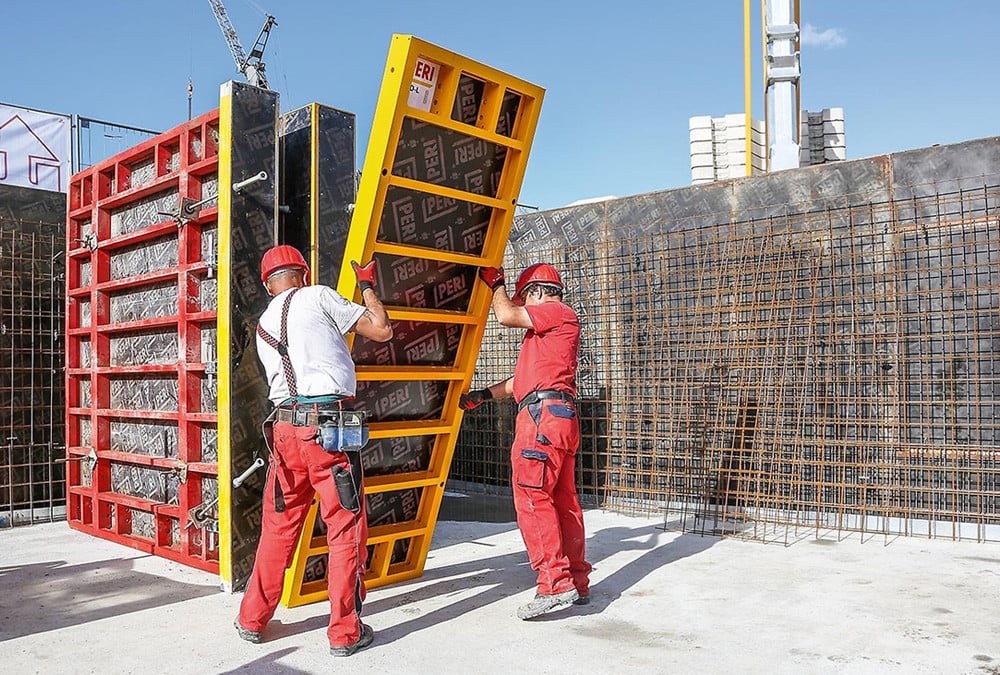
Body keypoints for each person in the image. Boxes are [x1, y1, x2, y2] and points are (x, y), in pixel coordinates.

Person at [235, 244, 392, 656]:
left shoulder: (264, 322)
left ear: (269, 284)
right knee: (344, 528)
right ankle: (344, 632)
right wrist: (367, 287)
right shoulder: (319, 295)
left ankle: (252, 618)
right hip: (328, 430)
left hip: (284, 432)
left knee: (278, 529)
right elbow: (380, 330)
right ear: (302, 273)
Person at [459, 263, 592, 620]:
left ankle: (554, 583)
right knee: (562, 501)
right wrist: (484, 395)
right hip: (556, 416)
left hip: (542, 419)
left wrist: (496, 285)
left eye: (524, 297)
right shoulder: (547, 335)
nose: (523, 305)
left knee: (532, 496)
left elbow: (505, 315)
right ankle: (576, 582)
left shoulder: (554, 311)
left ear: (535, 292)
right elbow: (522, 382)